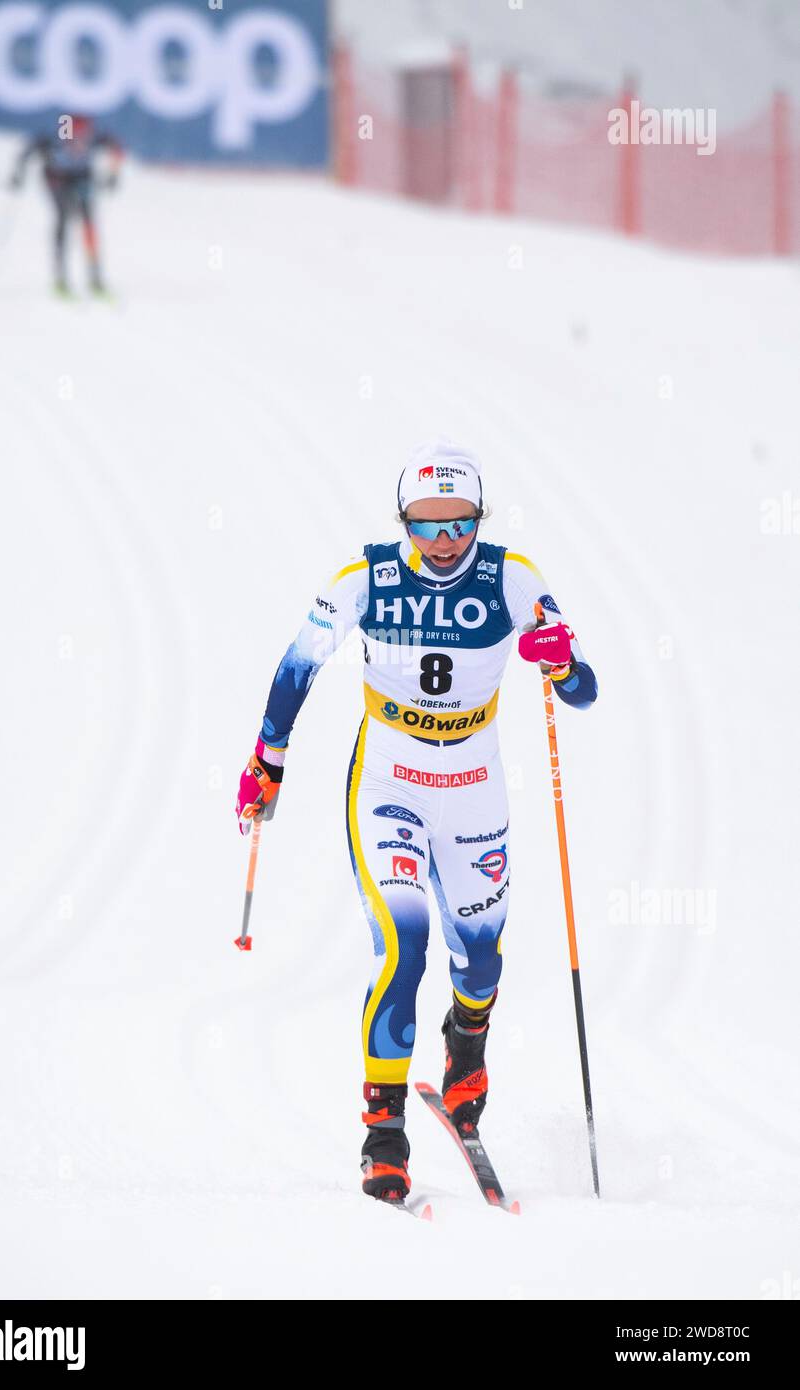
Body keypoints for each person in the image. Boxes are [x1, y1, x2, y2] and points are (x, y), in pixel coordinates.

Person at [235, 441, 598, 1202]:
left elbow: (583, 692)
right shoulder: (367, 577)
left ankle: (466, 1053)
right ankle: (384, 1138)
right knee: (403, 944)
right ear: (402, 520)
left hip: (474, 785)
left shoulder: (513, 578)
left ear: (478, 519)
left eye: (458, 525)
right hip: (390, 779)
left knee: (482, 961)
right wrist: (269, 758)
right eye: (426, 525)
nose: (442, 543)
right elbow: (297, 664)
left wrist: (561, 663)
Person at [9, 114, 123, 296]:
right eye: (74, 140)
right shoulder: (61, 137)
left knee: (89, 223)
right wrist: (18, 173)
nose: (78, 145)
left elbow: (116, 148)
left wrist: (113, 174)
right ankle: (60, 276)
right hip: (57, 179)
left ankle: (95, 277)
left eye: (82, 140)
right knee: (63, 218)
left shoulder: (92, 138)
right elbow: (30, 150)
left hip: (81, 178)